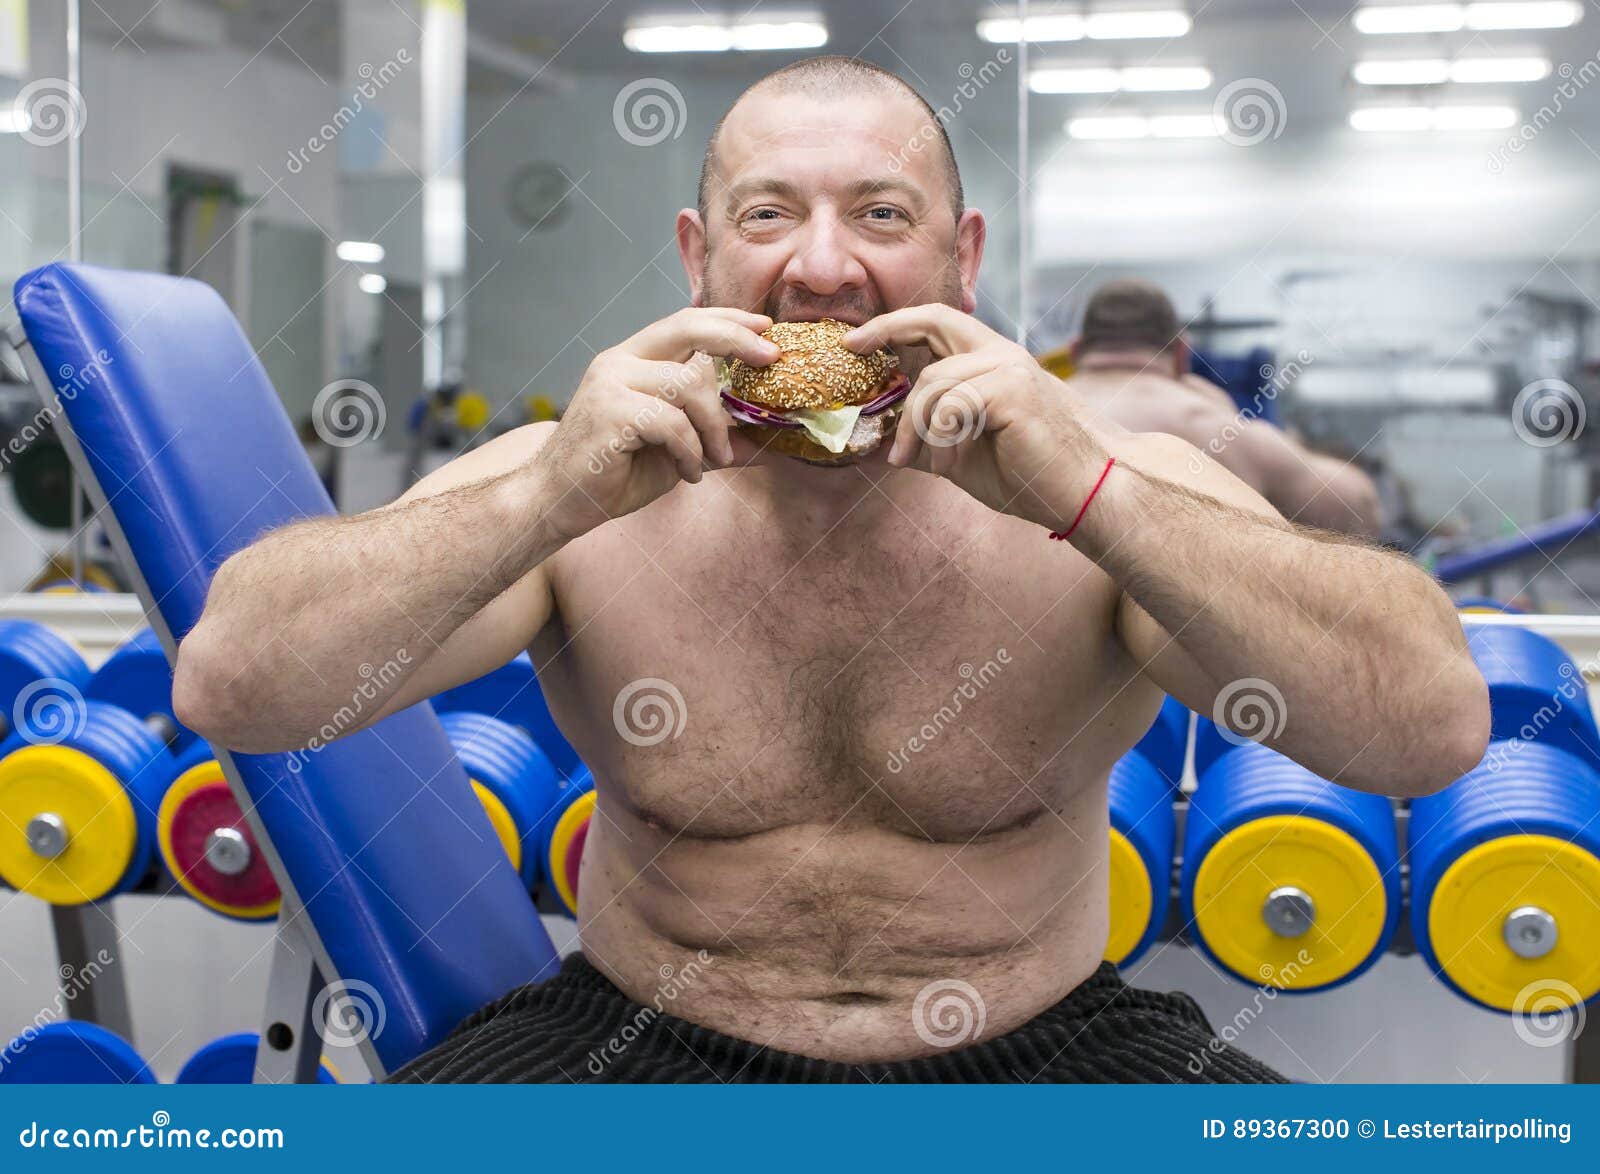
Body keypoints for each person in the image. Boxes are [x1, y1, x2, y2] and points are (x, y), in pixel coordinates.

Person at [172, 56, 1489, 1083]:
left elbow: (1431, 722)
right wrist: (546, 494)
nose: (820, 266)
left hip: (1048, 1049)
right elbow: (235, 678)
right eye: (769, 215)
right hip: (638, 1044)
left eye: (879, 214)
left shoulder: (1099, 478)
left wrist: (1088, 494)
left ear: (961, 261)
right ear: (698, 256)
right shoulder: (581, 487)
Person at [1063, 278, 1384, 537]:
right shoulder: (1214, 424)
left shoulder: (1035, 407)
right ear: (1182, 354)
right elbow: (1361, 509)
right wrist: (1262, 433)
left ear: (1075, 351)